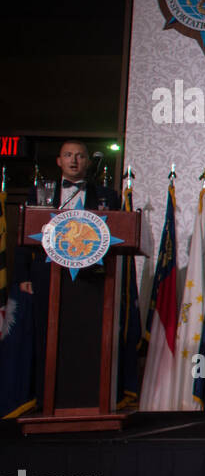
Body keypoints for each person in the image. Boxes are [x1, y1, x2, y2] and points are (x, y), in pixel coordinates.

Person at [14, 140, 121, 405]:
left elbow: (119, 232)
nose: (74, 161)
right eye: (68, 155)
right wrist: (23, 275)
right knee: (46, 336)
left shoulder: (108, 195)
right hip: (47, 274)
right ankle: (44, 400)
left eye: (80, 156)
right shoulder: (39, 193)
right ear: (59, 161)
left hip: (91, 277)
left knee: (87, 337)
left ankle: (89, 400)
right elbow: (24, 234)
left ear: (88, 161)